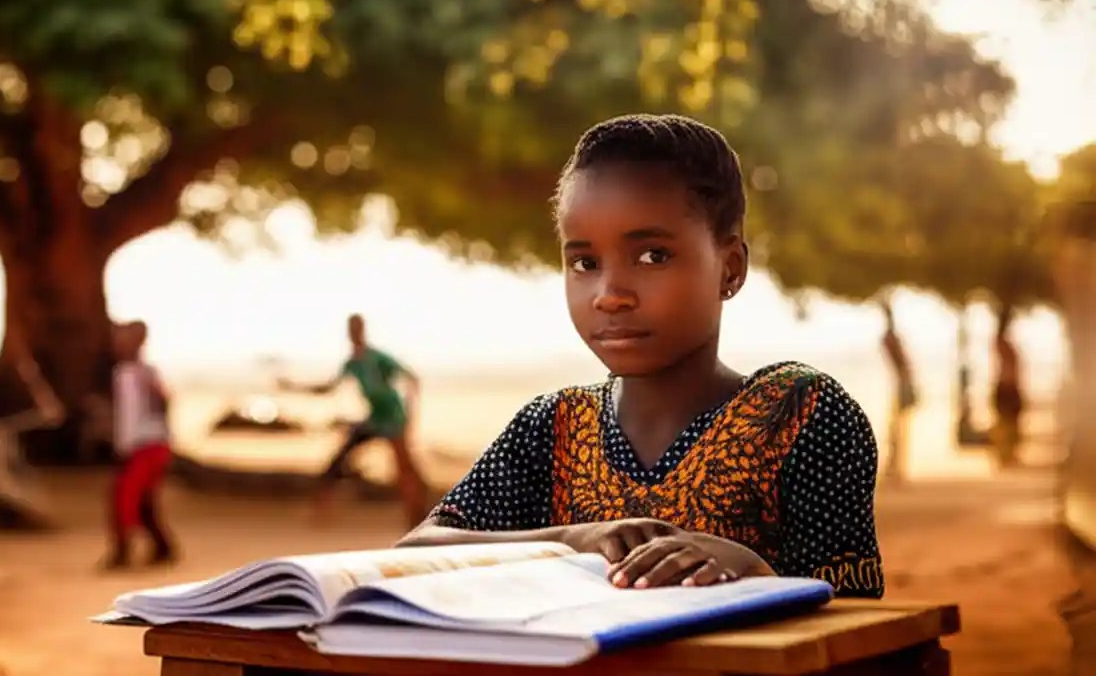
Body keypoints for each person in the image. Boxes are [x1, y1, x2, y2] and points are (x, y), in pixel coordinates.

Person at [397, 114, 884, 598]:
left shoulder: (796, 416)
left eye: (652, 255)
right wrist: (571, 540)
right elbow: (416, 554)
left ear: (730, 268)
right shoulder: (553, 430)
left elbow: (860, 613)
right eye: (584, 263)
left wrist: (753, 572)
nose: (610, 295)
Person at [278, 314, 429, 527]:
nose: (354, 333)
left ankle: (417, 516)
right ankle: (321, 513)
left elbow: (412, 378)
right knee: (338, 461)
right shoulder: (352, 363)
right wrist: (294, 386)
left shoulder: (377, 357)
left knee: (405, 470)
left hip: (392, 418)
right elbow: (328, 388)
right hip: (374, 419)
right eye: (351, 329)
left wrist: (410, 413)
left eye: (357, 328)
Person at [101, 320, 177, 570]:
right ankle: (163, 547)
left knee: (124, 498)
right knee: (144, 500)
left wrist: (124, 447)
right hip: (153, 444)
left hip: (144, 446)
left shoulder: (132, 374)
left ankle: (122, 552)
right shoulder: (142, 373)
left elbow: (131, 416)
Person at [879, 300, 917, 482]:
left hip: (901, 383)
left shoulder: (888, 338)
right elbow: (902, 363)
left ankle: (894, 465)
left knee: (897, 426)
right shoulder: (890, 338)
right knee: (899, 427)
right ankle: (894, 466)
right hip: (902, 383)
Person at [991, 304, 1025, 468]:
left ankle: (1007, 455)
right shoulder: (1002, 344)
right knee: (1007, 424)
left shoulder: (1002, 344)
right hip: (1007, 387)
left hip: (1007, 386)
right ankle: (1005, 456)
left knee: (1008, 424)